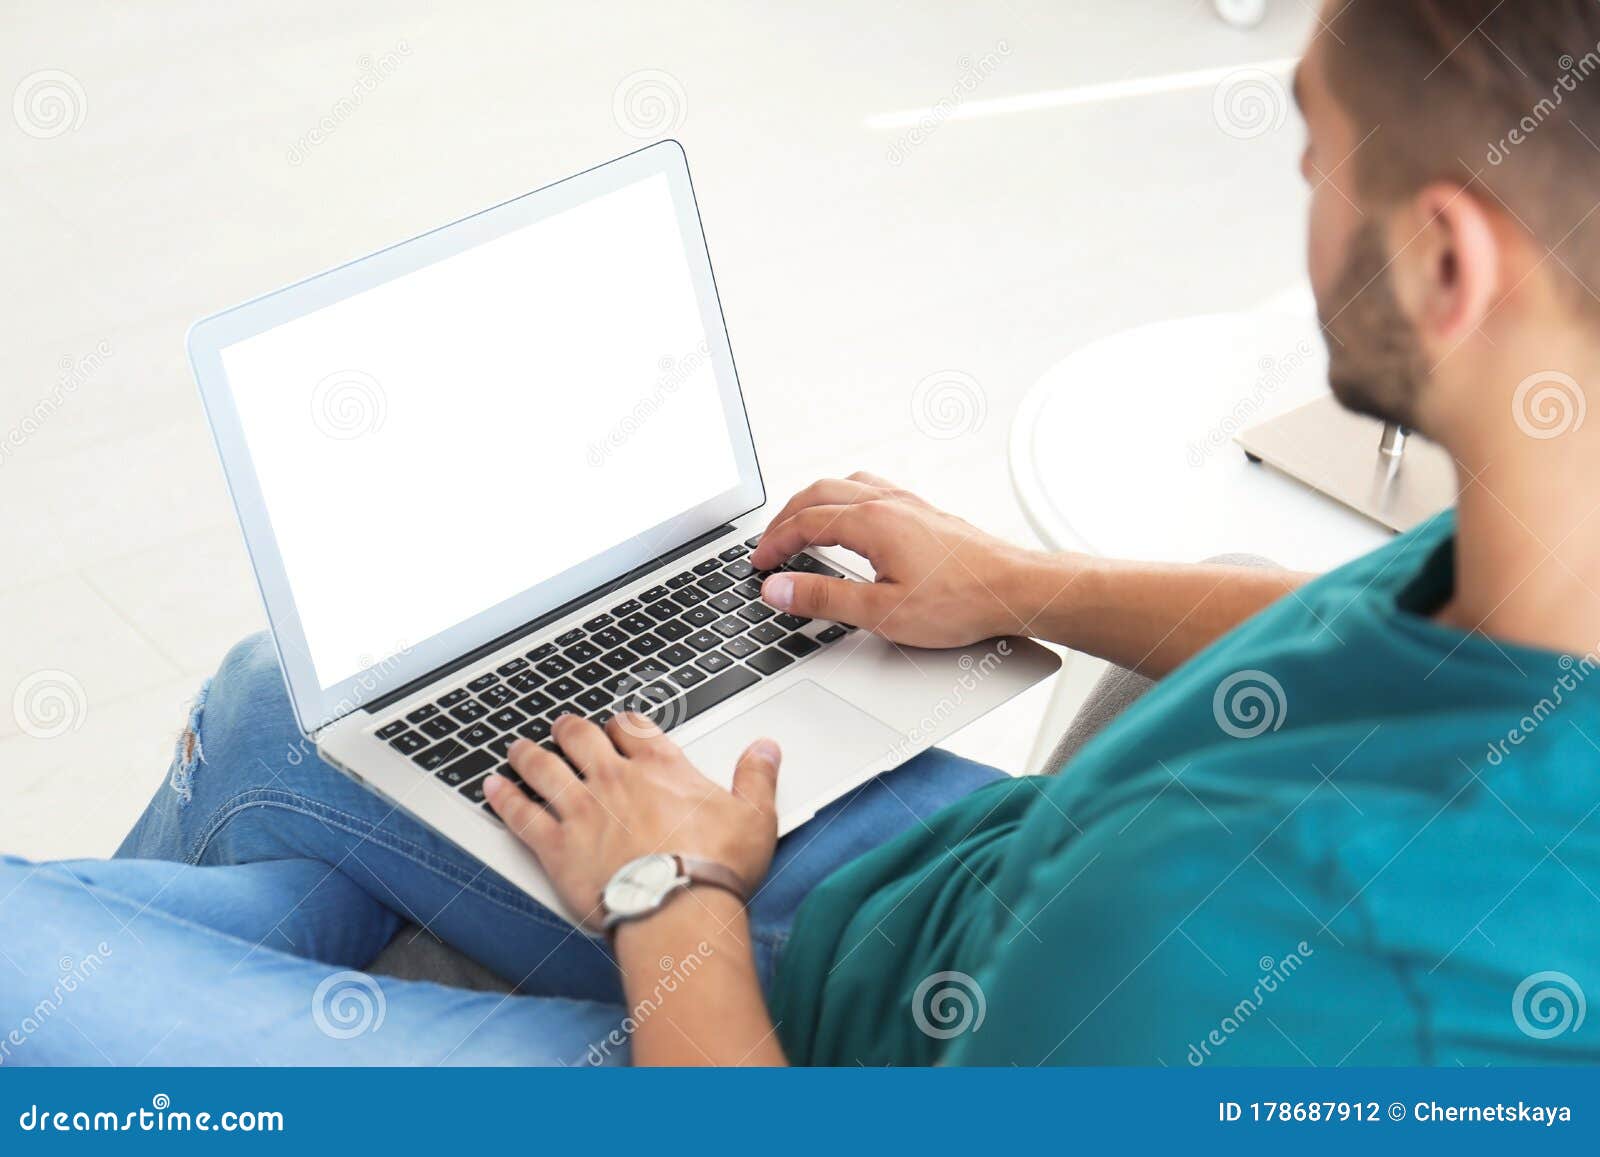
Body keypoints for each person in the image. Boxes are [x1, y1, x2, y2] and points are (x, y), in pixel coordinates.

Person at [4, 0, 1599, 1066]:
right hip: (942, 900)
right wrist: (1014, 580)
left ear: (1446, 263)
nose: (1306, 177)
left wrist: (667, 895)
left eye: (1317, 142)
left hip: (784, 1051)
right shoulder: (1541, 559)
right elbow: (1348, 631)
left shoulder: (1262, 957)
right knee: (284, 708)